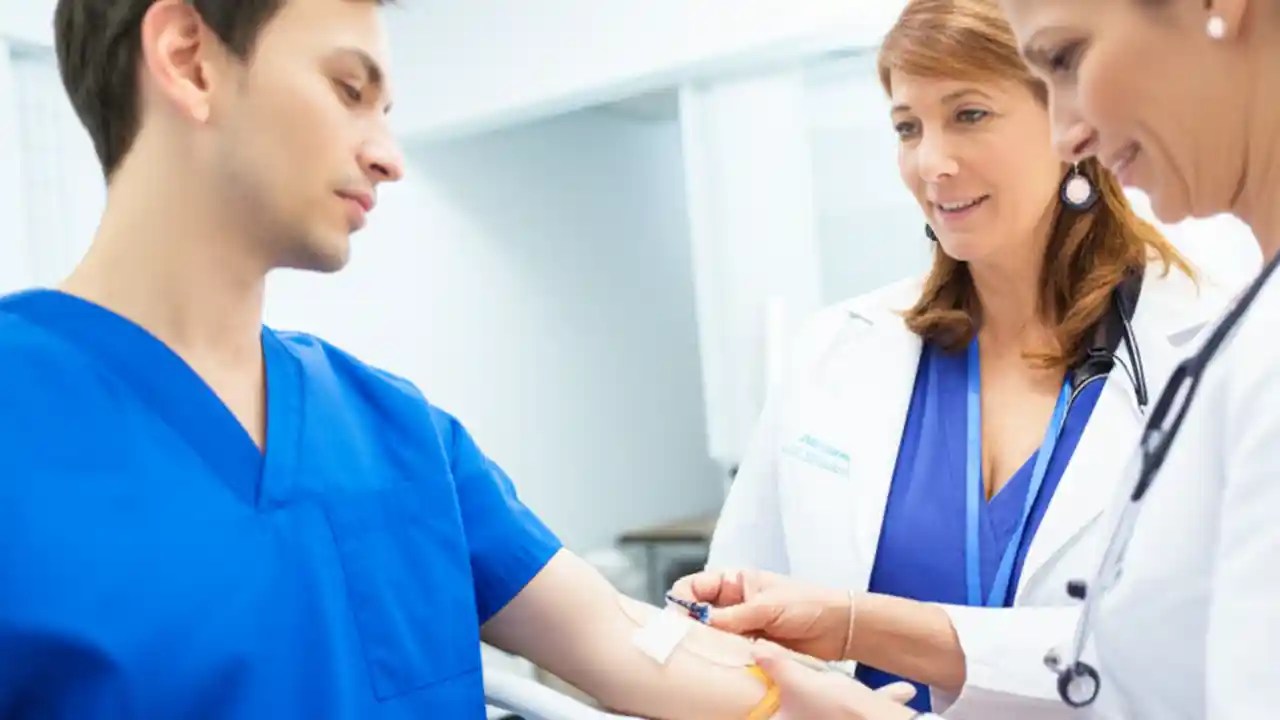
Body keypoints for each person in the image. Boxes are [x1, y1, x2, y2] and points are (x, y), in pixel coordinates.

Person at [0, 1, 868, 718]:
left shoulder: (396, 432)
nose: (388, 156)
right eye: (350, 90)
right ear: (190, 60)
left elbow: (619, 638)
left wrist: (818, 700)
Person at [685, 0, 1280, 717]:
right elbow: (734, 618)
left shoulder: (1215, 338)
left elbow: (1179, 664)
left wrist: (861, 625)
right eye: (908, 127)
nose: (932, 162)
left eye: (970, 114)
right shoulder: (836, 352)